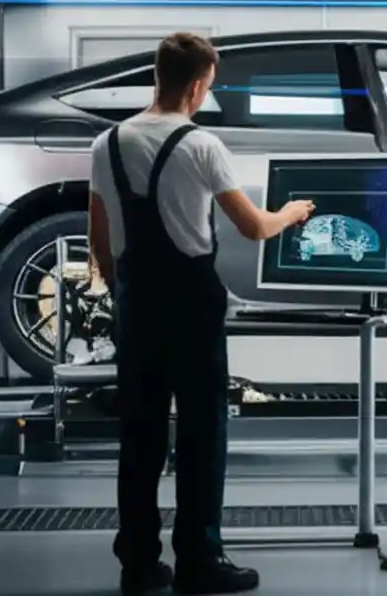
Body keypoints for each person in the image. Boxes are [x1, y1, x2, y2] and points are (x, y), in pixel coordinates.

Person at [87, 32, 315, 594]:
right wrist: (290, 212)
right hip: (190, 303)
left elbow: (99, 237)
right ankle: (199, 559)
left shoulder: (107, 143)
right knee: (201, 433)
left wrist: (124, 295)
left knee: (139, 435)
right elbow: (252, 226)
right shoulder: (200, 145)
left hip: (137, 302)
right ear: (196, 84)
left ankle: (138, 564)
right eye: (208, 85)